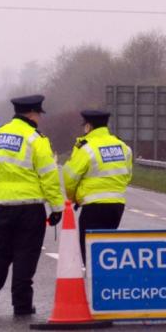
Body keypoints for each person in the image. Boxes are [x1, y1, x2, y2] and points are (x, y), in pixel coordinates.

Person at [0, 94, 64, 316]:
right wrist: (56, 208)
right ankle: (22, 305)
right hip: (29, 208)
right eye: (39, 115)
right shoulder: (36, 140)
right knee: (26, 256)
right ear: (33, 113)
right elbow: (48, 176)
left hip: (2, 206)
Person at [62, 109, 133, 259]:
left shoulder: (86, 148)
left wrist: (73, 197)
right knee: (107, 249)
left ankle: (95, 281)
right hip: (117, 207)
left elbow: (69, 177)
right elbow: (127, 175)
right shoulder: (123, 147)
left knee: (89, 251)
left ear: (88, 126)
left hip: (93, 207)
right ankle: (107, 281)